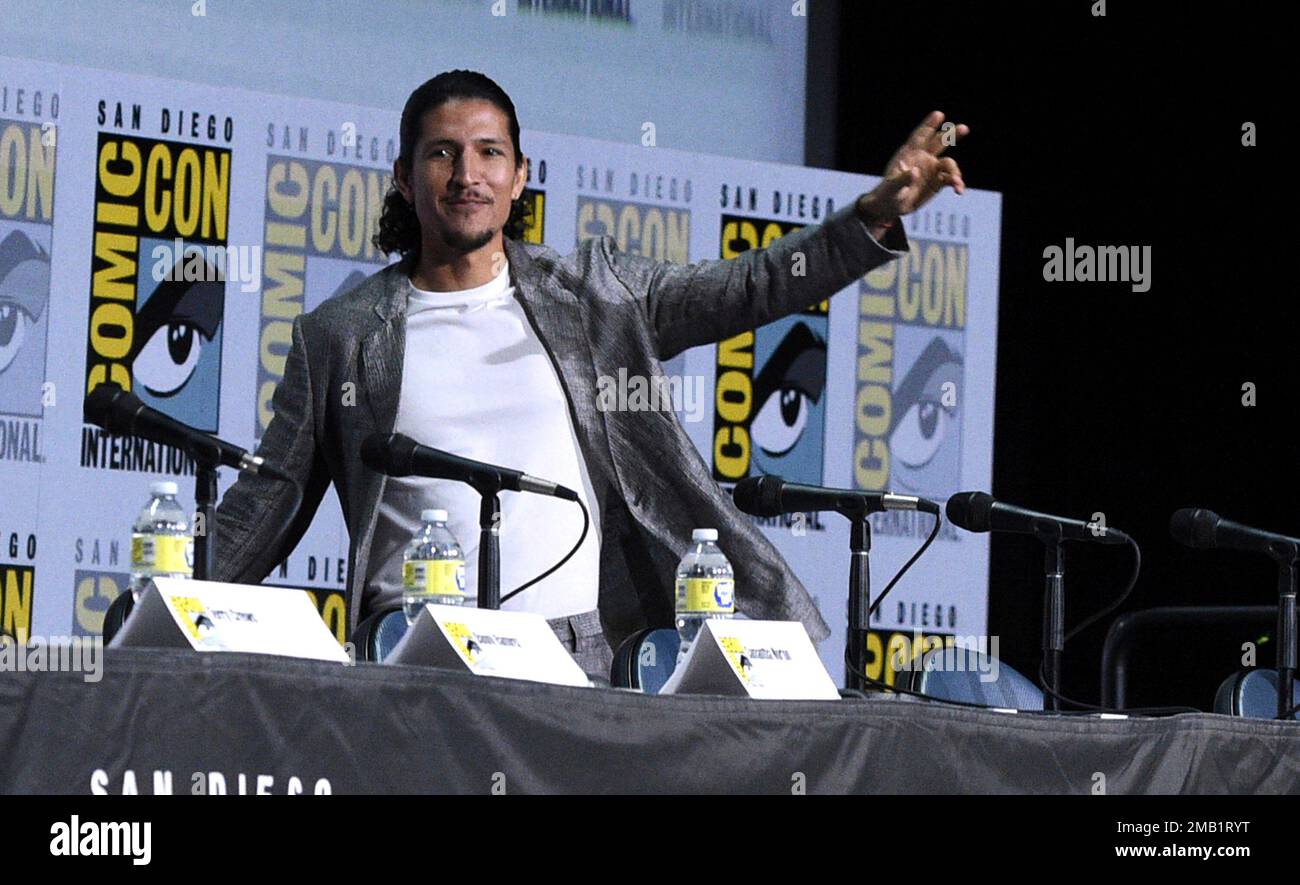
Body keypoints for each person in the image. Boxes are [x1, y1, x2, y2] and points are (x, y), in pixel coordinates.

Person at [214, 70, 968, 679]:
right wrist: (150, 616)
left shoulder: (597, 295)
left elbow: (748, 287)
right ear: (405, 179)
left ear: (519, 177)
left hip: (579, 656)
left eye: (488, 153)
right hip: (413, 653)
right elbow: (267, 500)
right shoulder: (338, 336)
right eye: (442, 153)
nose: (466, 174)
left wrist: (870, 216)